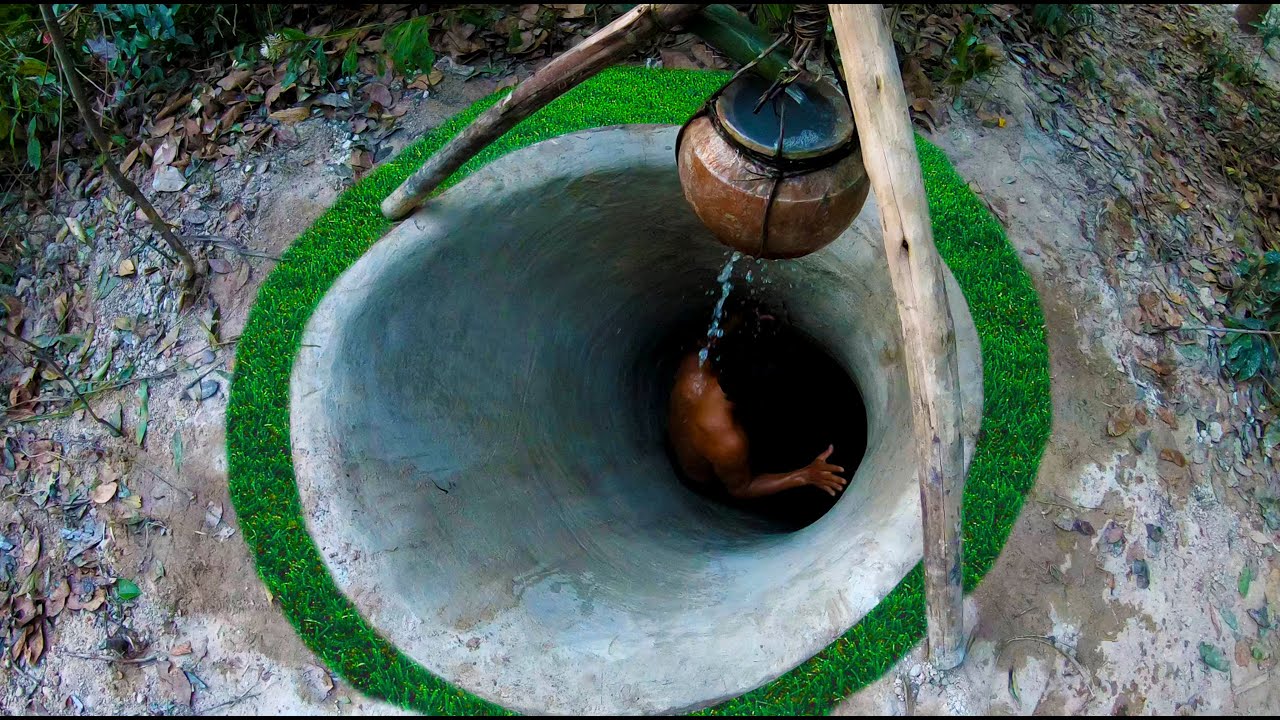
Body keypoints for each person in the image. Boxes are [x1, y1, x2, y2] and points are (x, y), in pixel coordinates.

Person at [667, 301, 848, 501]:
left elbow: (717, 341)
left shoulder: (693, 364)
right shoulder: (729, 442)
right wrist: (804, 475)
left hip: (682, 442)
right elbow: (742, 488)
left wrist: (740, 320)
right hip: (702, 480)